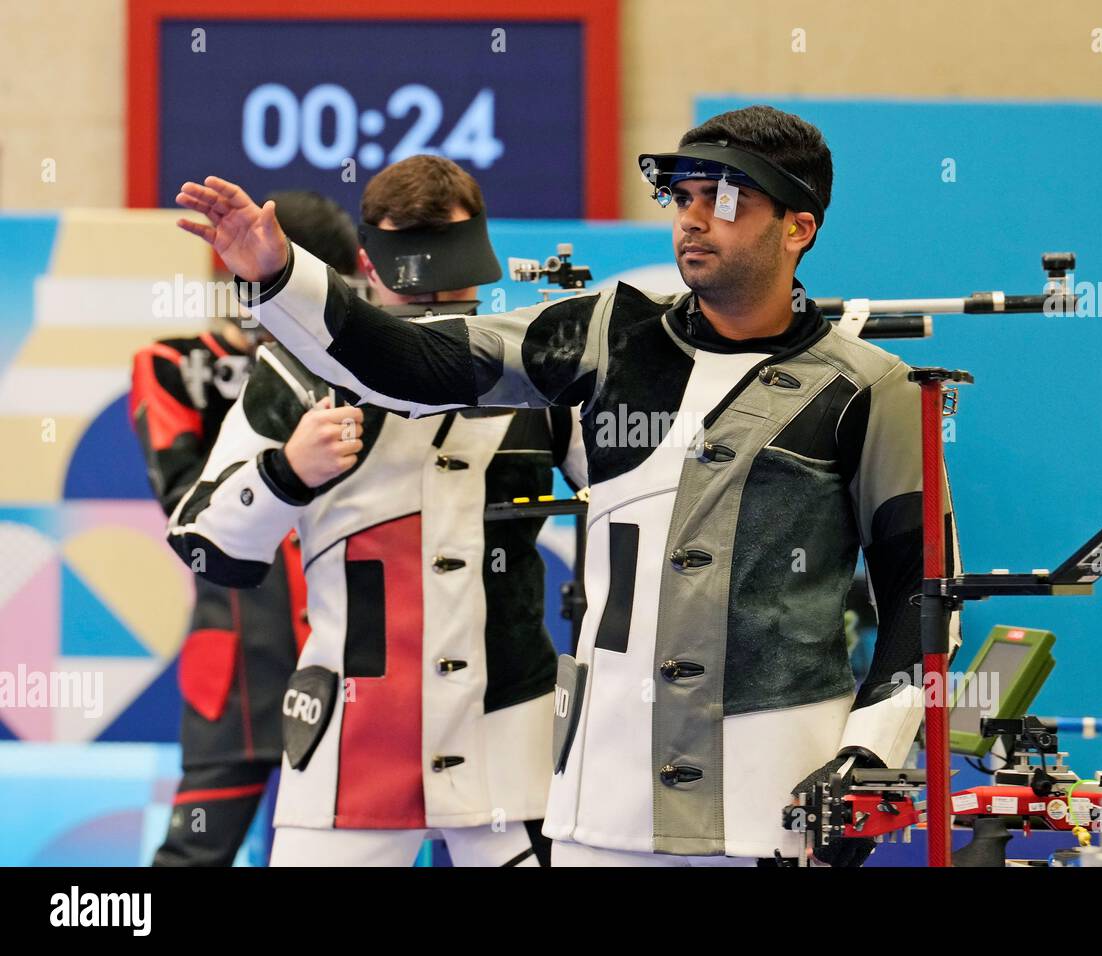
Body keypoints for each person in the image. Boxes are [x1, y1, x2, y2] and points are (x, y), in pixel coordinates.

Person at [174, 104, 960, 867]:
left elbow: (924, 594)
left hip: (773, 790)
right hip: (596, 797)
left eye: (725, 199)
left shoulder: (874, 388)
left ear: (799, 226)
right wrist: (280, 275)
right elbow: (413, 365)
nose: (692, 218)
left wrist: (872, 753)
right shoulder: (600, 333)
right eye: (681, 196)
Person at [168, 155, 583, 866]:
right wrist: (285, 473)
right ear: (368, 259)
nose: (434, 290)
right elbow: (202, 539)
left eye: (451, 262)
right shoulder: (295, 370)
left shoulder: (538, 365)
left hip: (511, 738)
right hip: (348, 746)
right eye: (411, 263)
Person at [129, 191, 357, 865]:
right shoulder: (174, 365)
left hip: (351, 660)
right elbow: (185, 509)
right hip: (236, 673)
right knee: (195, 855)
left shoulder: (370, 368)